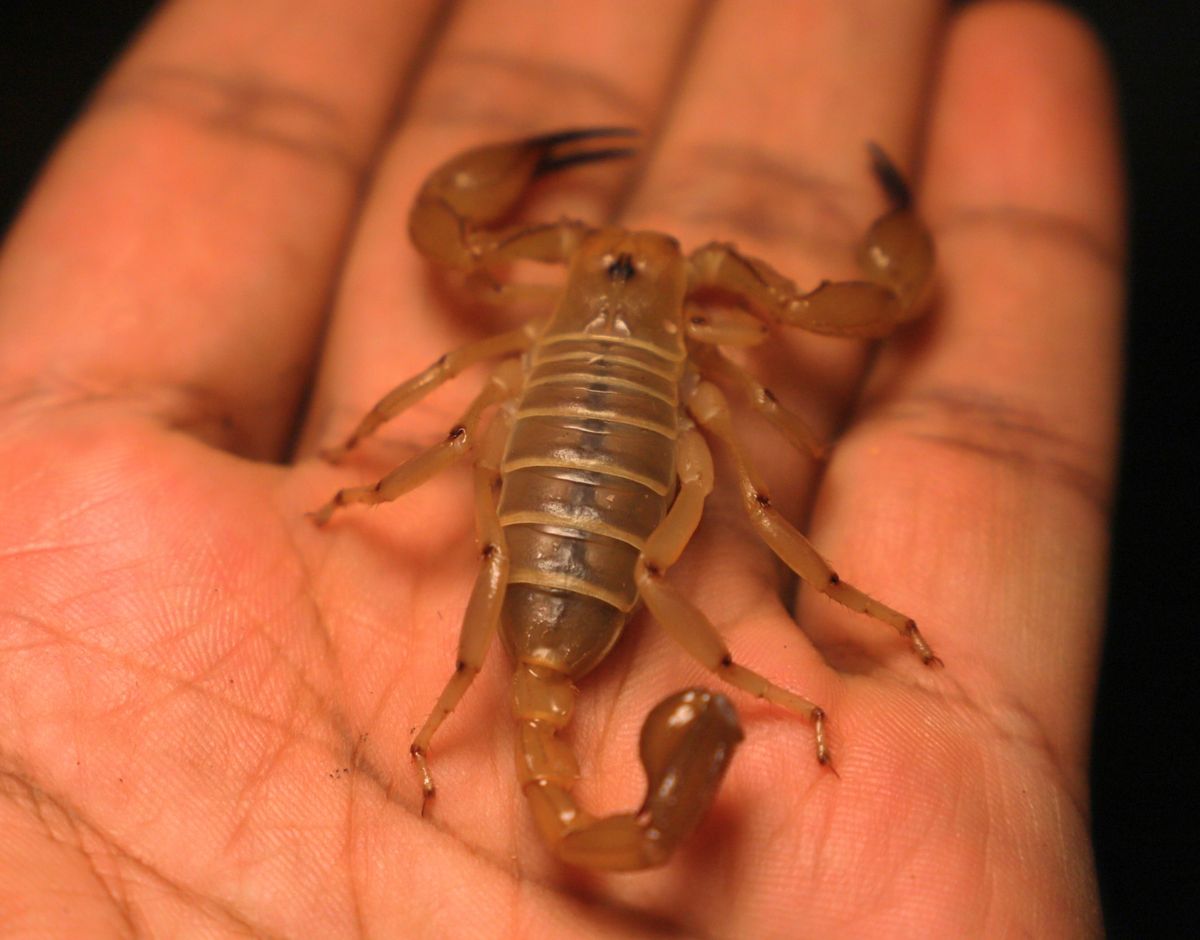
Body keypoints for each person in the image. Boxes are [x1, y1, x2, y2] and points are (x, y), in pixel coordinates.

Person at [0, 1, 1121, 935]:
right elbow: (797, 370)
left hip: (544, 545)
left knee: (488, 443)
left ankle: (474, 712)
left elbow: (447, 334)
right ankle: (715, 694)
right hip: (602, 542)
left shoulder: (539, 322)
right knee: (715, 482)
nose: (636, 256)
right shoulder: (708, 349)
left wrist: (362, 474)